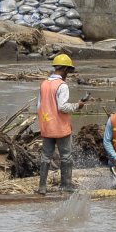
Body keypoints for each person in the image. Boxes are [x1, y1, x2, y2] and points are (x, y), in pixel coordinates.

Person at [36, 53, 88, 194]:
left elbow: (39, 106)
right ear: (65, 69)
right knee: (66, 156)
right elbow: (63, 107)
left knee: (46, 156)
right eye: (68, 71)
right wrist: (78, 105)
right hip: (60, 127)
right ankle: (65, 184)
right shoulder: (62, 86)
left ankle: (42, 187)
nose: (68, 74)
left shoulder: (44, 84)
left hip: (47, 126)